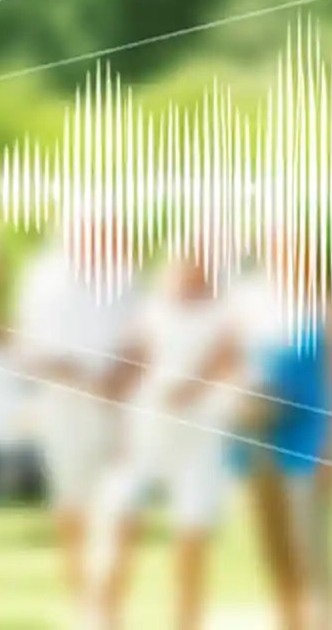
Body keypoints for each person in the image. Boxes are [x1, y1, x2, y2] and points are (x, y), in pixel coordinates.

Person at [88, 250, 244, 630]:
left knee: (191, 539)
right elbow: (129, 362)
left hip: (198, 439)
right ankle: (103, 619)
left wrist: (188, 388)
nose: (184, 274)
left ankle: (185, 622)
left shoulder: (224, 316)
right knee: (119, 522)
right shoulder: (151, 312)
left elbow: (224, 362)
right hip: (147, 434)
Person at [10, 217, 139, 624]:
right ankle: (85, 607)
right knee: (73, 510)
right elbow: (29, 351)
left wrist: (122, 379)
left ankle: (108, 612)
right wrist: (82, 377)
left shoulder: (127, 280)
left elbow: (143, 343)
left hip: (122, 415)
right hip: (63, 411)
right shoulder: (44, 281)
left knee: (121, 508)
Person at [232, 238, 332, 630]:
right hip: (258, 443)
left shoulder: (331, 307)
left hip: (310, 444)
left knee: (311, 554)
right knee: (276, 554)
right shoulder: (253, 305)